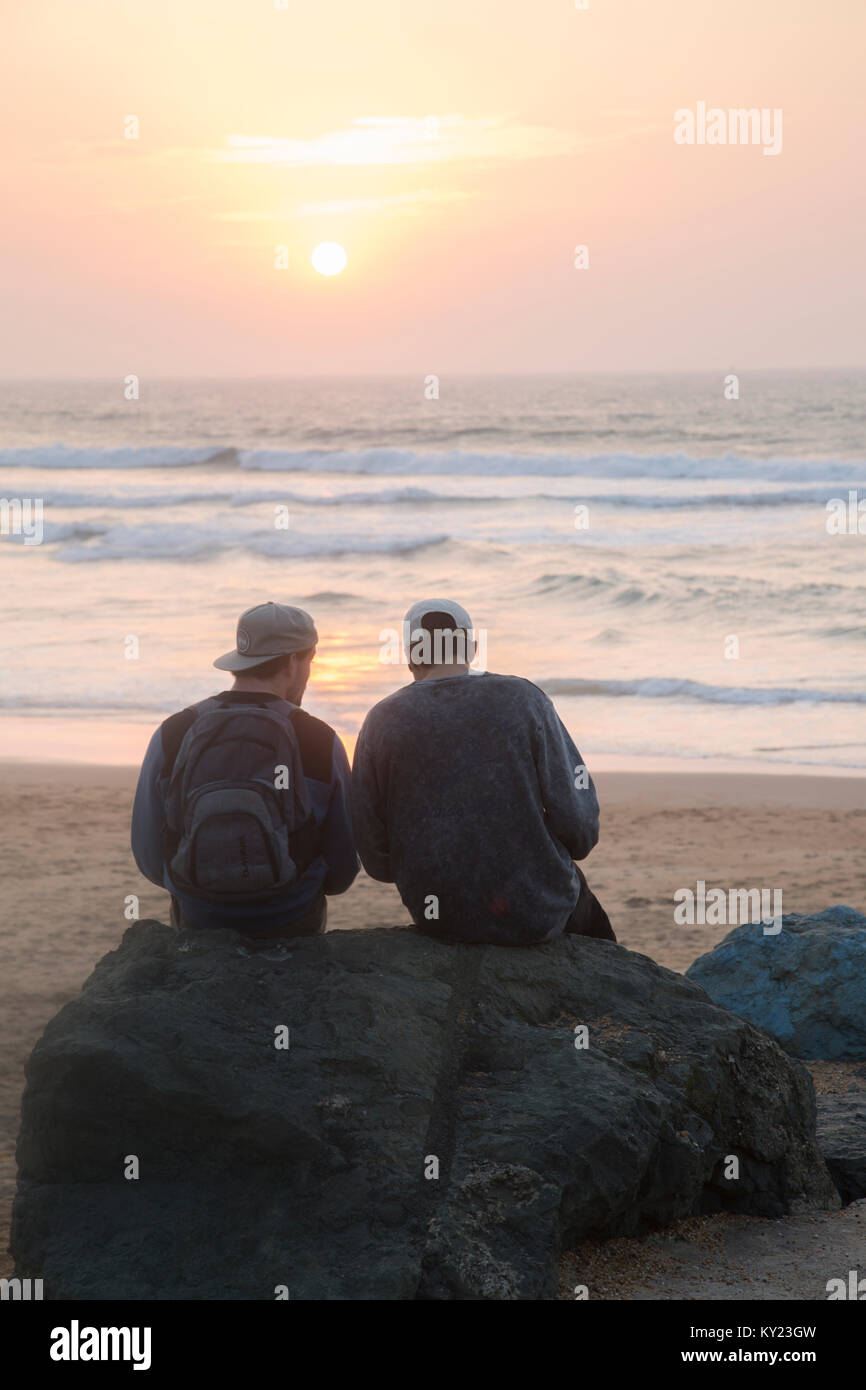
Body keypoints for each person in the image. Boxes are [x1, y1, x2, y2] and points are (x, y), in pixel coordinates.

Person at [351, 599, 614, 947]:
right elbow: (579, 827)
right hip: (537, 912)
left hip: (439, 918)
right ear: (472, 648)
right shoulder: (523, 699)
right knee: (598, 931)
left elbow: (375, 858)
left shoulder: (380, 720)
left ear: (410, 654)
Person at [131, 602, 358, 942]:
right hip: (291, 915)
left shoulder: (174, 731)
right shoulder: (319, 739)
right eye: (311, 659)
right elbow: (342, 870)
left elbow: (149, 856)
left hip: (200, 915)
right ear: (295, 661)